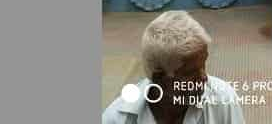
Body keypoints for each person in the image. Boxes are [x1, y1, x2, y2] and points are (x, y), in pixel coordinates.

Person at [102, 10, 245, 124]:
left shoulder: (223, 98)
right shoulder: (116, 119)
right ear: (159, 78)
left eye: (204, 65)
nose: (203, 78)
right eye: (190, 73)